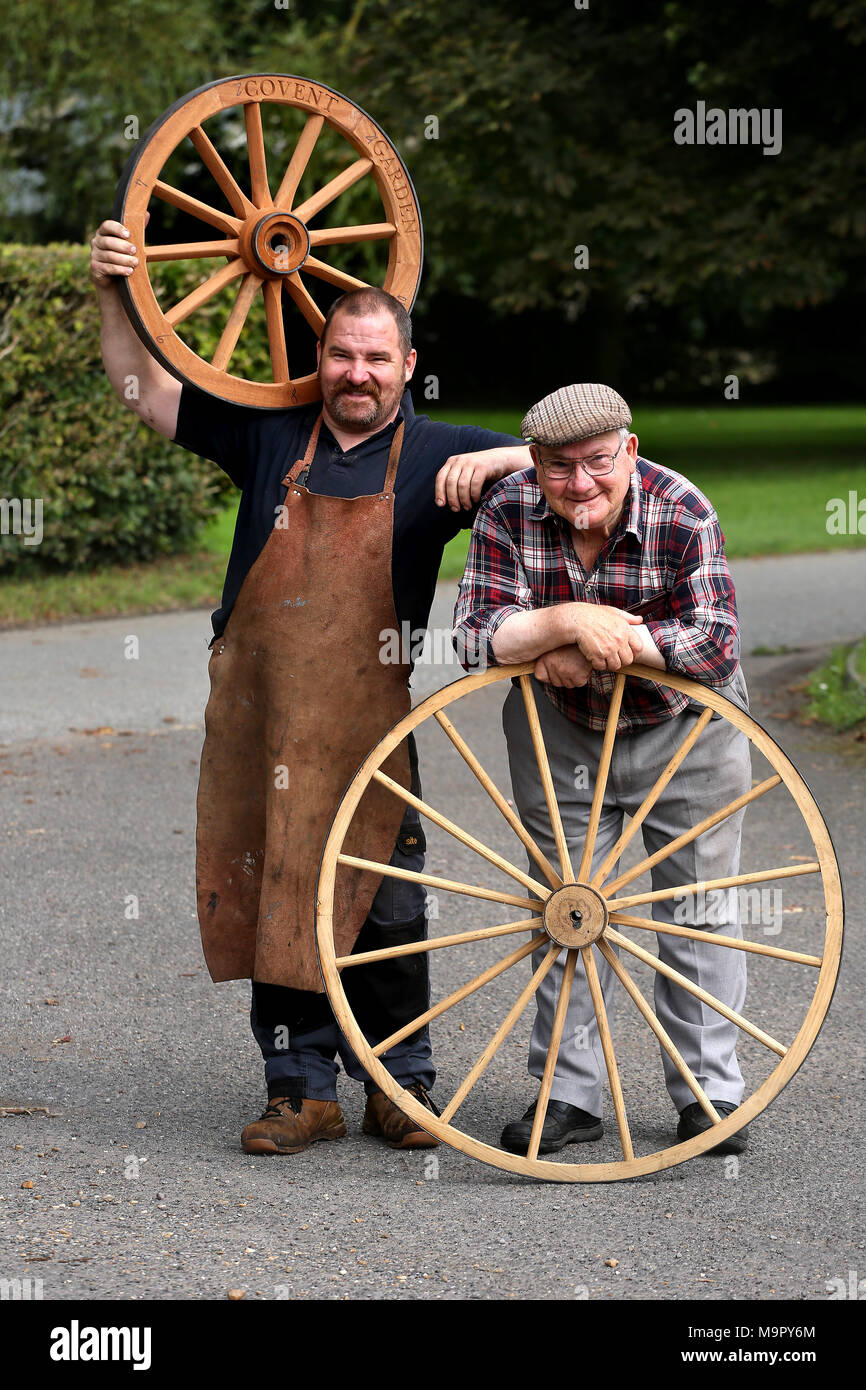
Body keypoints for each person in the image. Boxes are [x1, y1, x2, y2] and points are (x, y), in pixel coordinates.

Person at [89, 216, 532, 1156]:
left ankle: (402, 1087)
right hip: (258, 718)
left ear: (408, 368)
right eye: (341, 355)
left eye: (376, 358)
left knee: (389, 899)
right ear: (319, 358)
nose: (357, 374)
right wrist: (110, 292)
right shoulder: (266, 430)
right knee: (272, 885)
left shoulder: (435, 454)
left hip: (366, 720)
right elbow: (143, 391)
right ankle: (301, 1092)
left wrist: (502, 457)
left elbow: (588, 451)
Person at [452, 382, 752, 1157]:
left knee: (697, 910)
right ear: (536, 464)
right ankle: (568, 1093)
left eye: (597, 462)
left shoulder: (683, 509)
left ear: (631, 450)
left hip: (685, 730)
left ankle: (708, 1094)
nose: (579, 484)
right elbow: (476, 634)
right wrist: (564, 622)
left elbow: (714, 645)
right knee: (565, 908)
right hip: (564, 733)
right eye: (558, 467)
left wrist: (605, 643)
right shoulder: (508, 508)